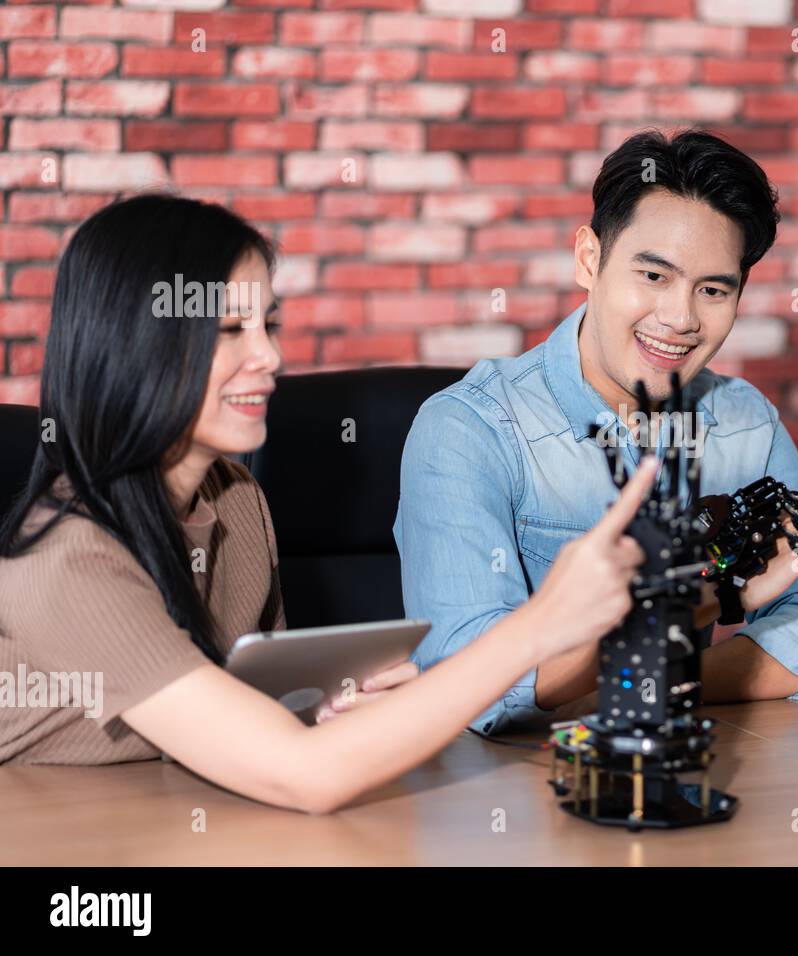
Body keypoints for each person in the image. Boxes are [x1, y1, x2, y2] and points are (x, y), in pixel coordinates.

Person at [0, 193, 661, 814]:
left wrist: (338, 709)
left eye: (268, 325)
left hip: (184, 821)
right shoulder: (70, 558)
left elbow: (265, 722)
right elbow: (305, 773)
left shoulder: (236, 499)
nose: (269, 356)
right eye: (230, 329)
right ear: (135, 346)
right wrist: (541, 625)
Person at [396, 129, 798, 735]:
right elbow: (467, 686)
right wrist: (698, 614)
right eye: (654, 276)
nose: (681, 318)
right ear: (589, 260)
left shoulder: (745, 424)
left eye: (712, 290)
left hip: (679, 772)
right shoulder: (469, 429)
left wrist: (642, 689)